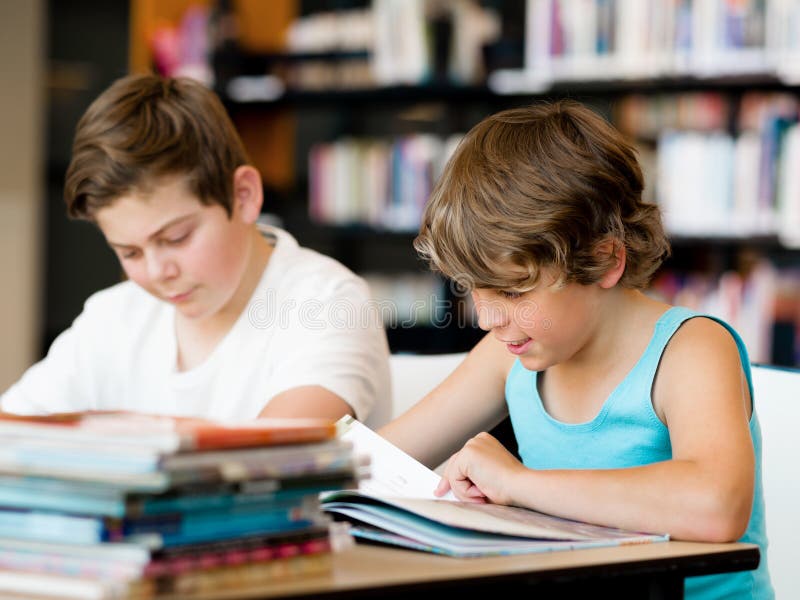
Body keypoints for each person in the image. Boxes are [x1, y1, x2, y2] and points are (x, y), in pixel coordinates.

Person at [379, 100, 773, 599]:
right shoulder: (510, 354)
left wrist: (518, 485)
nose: (486, 318)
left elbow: (717, 506)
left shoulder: (691, 350)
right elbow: (370, 463)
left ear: (605, 258)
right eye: (471, 288)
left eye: (515, 291)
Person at [1, 74, 391, 427]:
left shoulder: (328, 304)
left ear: (243, 195)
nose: (157, 271)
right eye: (130, 252)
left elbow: (268, 464)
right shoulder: (113, 316)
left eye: (176, 238)